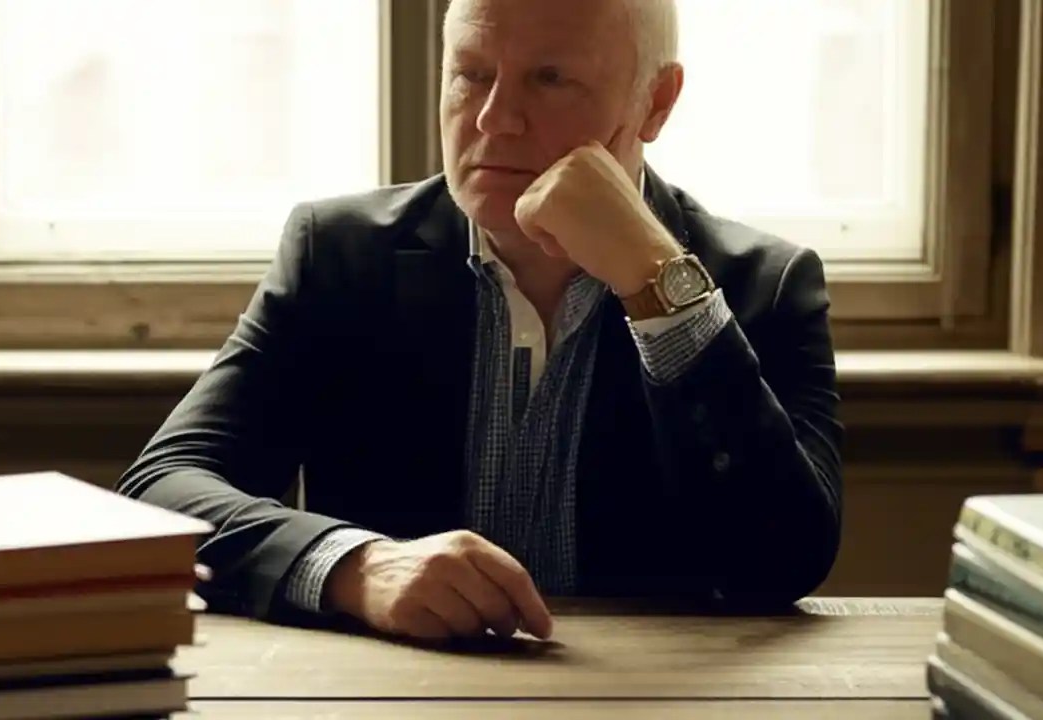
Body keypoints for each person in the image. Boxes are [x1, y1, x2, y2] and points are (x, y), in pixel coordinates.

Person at [117, 0, 843, 642]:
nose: (495, 117)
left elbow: (781, 563)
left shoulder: (762, 286)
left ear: (657, 101)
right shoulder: (340, 256)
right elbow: (161, 489)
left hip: (647, 700)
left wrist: (657, 283)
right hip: (394, 697)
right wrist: (356, 566)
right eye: (470, 73)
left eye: (549, 78)